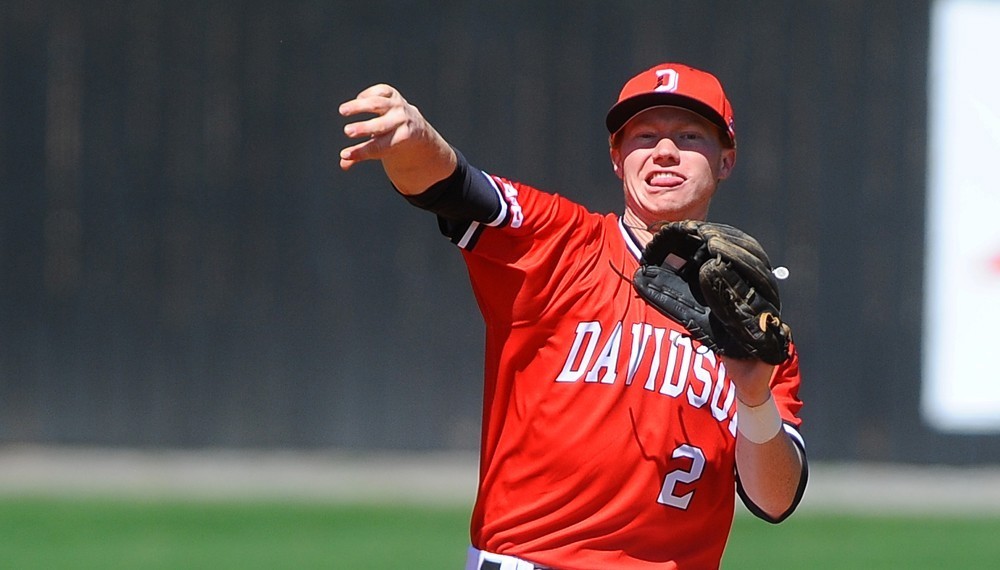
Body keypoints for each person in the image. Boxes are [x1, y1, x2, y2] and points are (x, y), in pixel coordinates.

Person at [340, 63, 807, 570]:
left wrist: (754, 396)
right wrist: (413, 140)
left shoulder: (751, 325)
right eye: (644, 136)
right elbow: (451, 186)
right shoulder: (561, 242)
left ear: (726, 160)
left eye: (690, 136)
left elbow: (775, 500)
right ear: (616, 158)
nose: (665, 152)